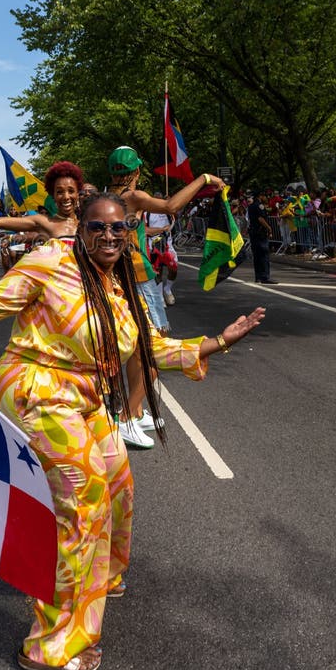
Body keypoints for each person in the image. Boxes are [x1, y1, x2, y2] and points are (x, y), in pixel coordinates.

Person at [0, 191, 265, 670]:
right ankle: (50, 643)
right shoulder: (49, 262)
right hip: (37, 389)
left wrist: (217, 342)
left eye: (118, 228)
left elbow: (149, 347)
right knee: (84, 498)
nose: (110, 236)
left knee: (117, 483)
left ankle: (100, 578)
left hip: (84, 396)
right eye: (98, 227)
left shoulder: (119, 284)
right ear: (82, 230)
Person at [107, 146, 225, 447]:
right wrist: (204, 178)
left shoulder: (106, 200)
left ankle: (134, 408)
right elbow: (172, 206)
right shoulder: (133, 197)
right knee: (153, 348)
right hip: (139, 278)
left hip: (121, 278)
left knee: (136, 348)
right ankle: (129, 417)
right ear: (135, 172)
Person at [146, 193, 178, 306]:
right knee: (158, 272)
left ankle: (167, 289)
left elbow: (176, 213)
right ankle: (160, 297)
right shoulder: (147, 213)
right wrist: (160, 230)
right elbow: (145, 230)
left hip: (168, 246)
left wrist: (172, 204)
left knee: (174, 269)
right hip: (153, 246)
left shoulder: (168, 212)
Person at [247, 192, 277, 284]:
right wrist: (269, 228)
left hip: (253, 232)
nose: (266, 198)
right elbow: (260, 219)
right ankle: (265, 277)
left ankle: (258, 277)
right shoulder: (260, 206)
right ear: (260, 196)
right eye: (265, 196)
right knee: (264, 255)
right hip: (260, 233)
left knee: (256, 256)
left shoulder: (251, 206)